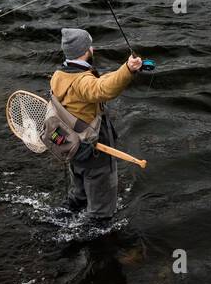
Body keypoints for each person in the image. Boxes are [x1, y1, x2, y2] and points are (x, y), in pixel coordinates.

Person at [50, 27, 144, 223]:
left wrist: (124, 68)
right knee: (101, 213)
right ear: (85, 50)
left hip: (72, 146)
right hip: (94, 152)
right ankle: (96, 241)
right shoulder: (81, 82)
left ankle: (62, 218)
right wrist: (127, 70)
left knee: (79, 195)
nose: (92, 48)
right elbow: (102, 89)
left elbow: (96, 81)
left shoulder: (59, 75)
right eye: (90, 45)